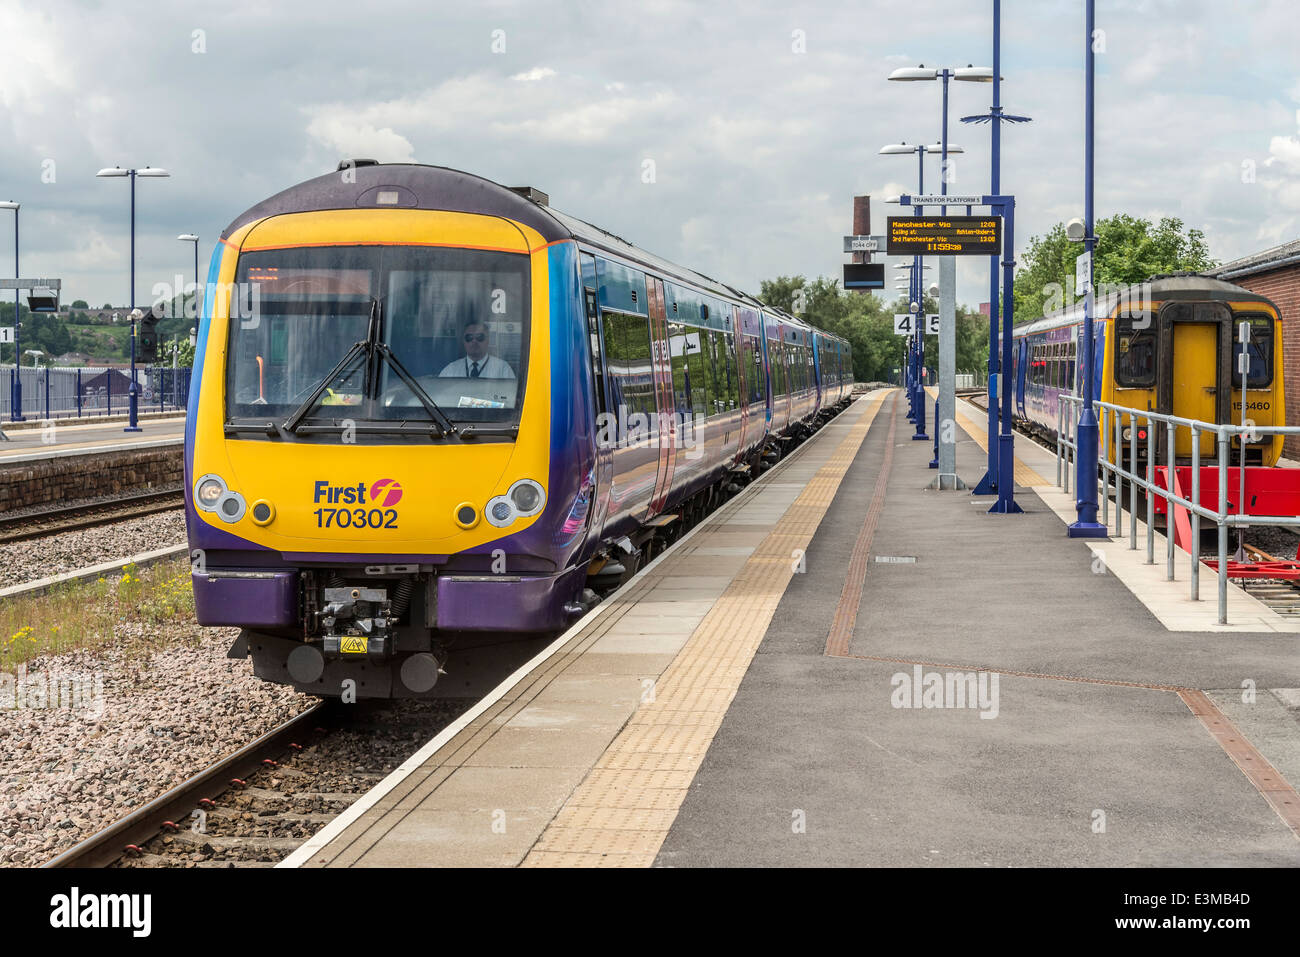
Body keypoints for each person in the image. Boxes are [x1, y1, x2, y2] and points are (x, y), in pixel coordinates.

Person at [438, 320, 515, 379]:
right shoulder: (451, 370)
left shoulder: (503, 368)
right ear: (463, 341)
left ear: (488, 340)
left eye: (480, 337)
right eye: (469, 338)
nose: (474, 341)